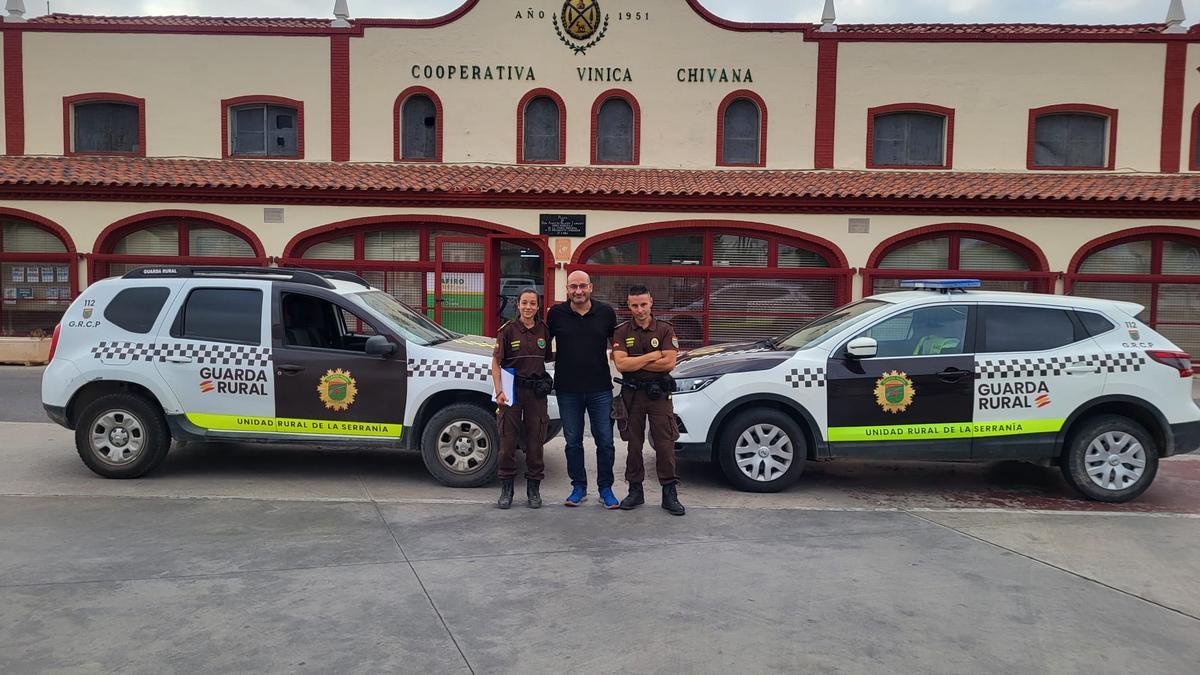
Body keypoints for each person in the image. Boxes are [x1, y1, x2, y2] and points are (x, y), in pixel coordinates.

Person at [546, 270, 620, 508]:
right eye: (573, 287)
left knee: (605, 441)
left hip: (600, 389)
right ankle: (578, 487)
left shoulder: (606, 313)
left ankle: (606, 488)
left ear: (591, 287)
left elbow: (619, 347)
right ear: (567, 289)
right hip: (567, 389)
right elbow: (540, 344)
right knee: (573, 442)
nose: (578, 291)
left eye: (582, 286)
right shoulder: (555, 314)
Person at [610, 286, 685, 516]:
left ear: (651, 302)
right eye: (635, 305)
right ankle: (635, 491)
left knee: (664, 444)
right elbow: (621, 365)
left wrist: (636, 362)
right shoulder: (622, 331)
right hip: (632, 395)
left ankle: (669, 493)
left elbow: (669, 363)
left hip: (659, 395)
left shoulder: (664, 329)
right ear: (629, 305)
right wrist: (653, 356)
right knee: (634, 445)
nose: (640, 310)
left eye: (643, 304)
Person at [491, 289, 553, 509]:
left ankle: (533, 490)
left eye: (532, 303)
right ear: (518, 305)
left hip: (536, 394)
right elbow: (496, 363)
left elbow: (548, 360)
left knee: (536, 443)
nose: (528, 307)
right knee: (507, 443)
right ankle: (506, 489)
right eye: (524, 303)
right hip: (512, 392)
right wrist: (499, 391)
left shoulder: (544, 330)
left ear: (538, 306)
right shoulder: (507, 330)